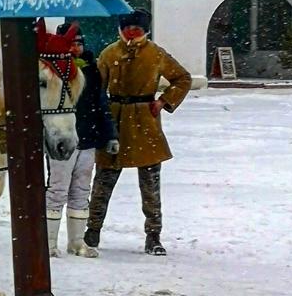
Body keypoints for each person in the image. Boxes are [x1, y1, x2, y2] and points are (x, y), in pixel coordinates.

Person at [83, 15, 192, 256]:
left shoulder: (156, 54)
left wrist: (163, 101)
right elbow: (96, 88)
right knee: (103, 182)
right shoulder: (109, 53)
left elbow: (183, 78)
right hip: (115, 122)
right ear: (120, 30)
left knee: (151, 185)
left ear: (146, 30)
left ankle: (153, 235)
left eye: (137, 28)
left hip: (146, 123)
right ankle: (93, 230)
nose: (132, 33)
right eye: (128, 28)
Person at [45, 22, 113, 257]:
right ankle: (49, 241)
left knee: (82, 189)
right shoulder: (52, 72)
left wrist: (109, 134)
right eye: (71, 44)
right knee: (57, 189)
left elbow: (101, 104)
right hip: (64, 141)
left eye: (79, 43)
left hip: (88, 138)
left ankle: (76, 241)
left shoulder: (92, 70)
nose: (76, 48)